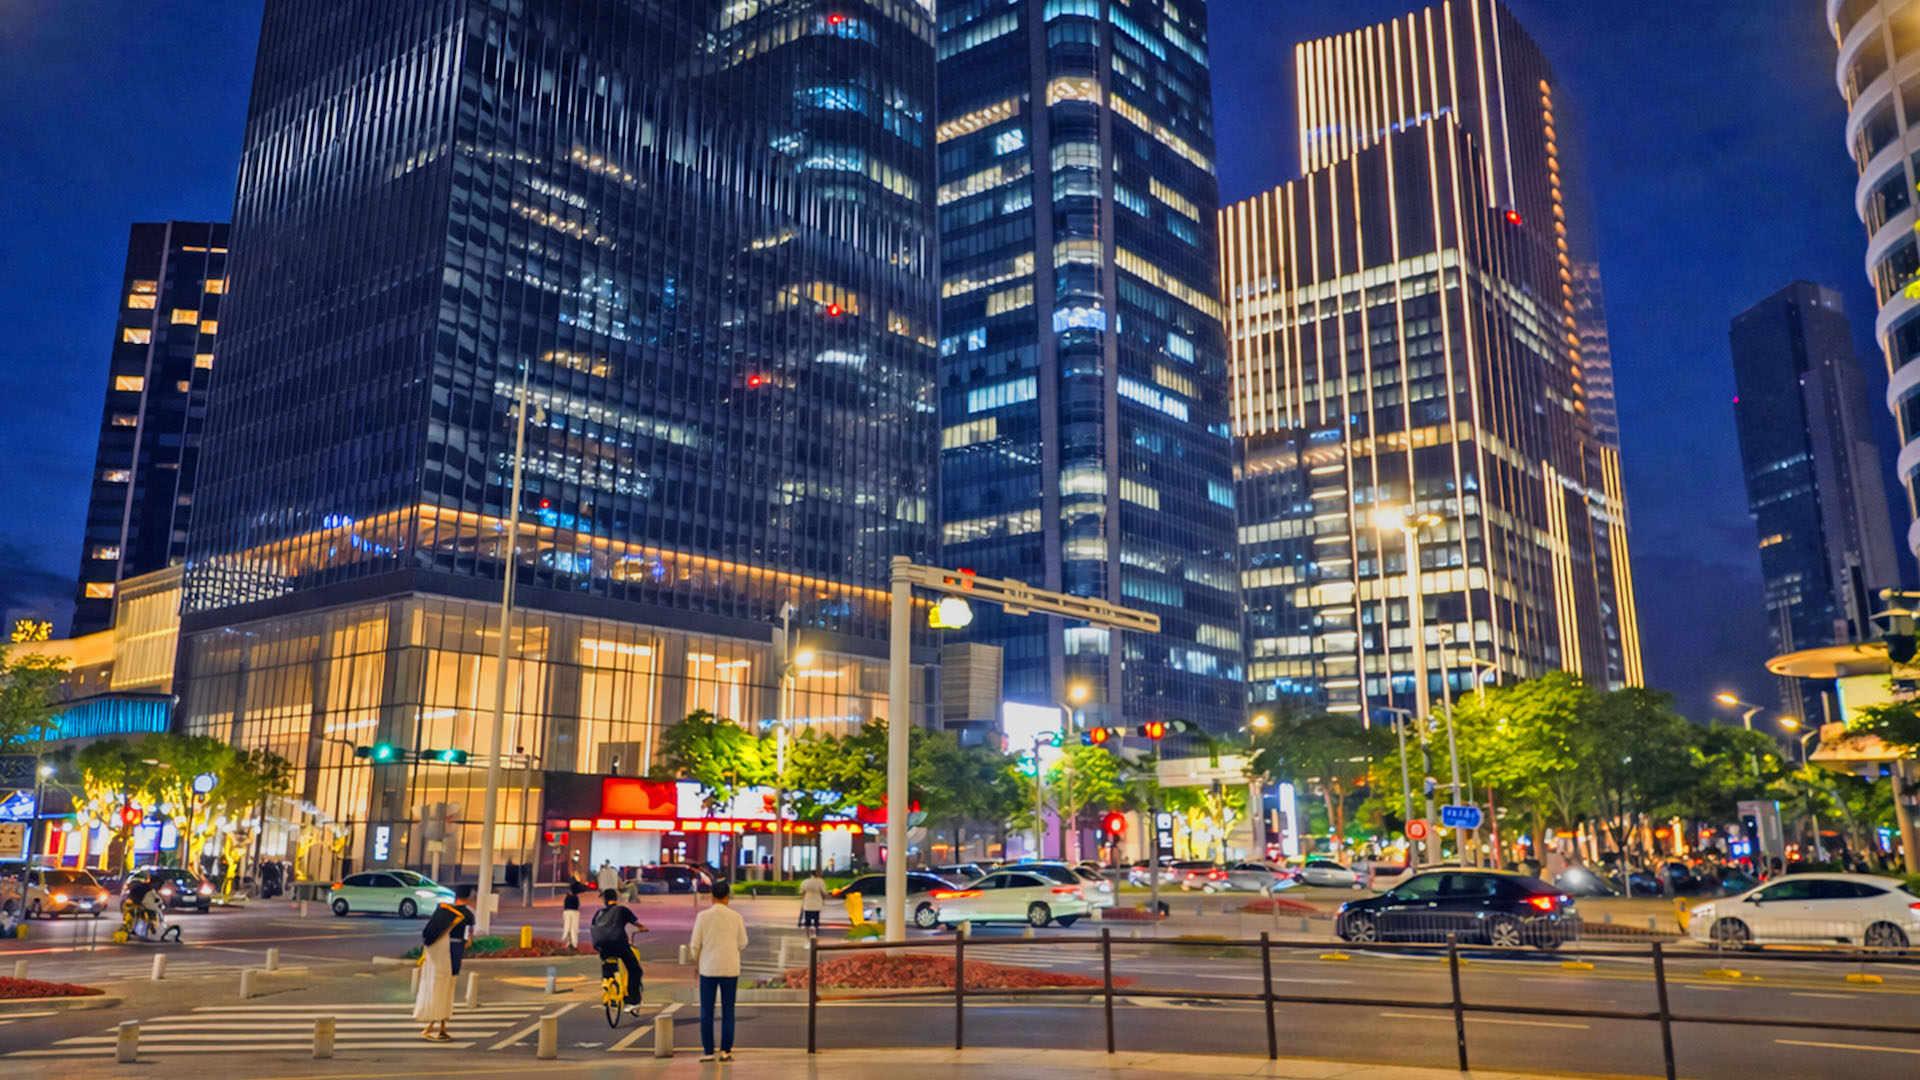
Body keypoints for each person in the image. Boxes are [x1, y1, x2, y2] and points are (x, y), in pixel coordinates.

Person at [689, 880, 748, 1062]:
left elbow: (695, 944)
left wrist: (697, 960)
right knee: (728, 1011)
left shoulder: (703, 916)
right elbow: (743, 942)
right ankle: (725, 1051)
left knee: (707, 1011)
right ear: (727, 897)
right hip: (730, 968)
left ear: (712, 895)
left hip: (708, 968)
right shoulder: (736, 917)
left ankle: (708, 1051)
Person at [414, 885, 469, 1041]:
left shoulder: (433, 941)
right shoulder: (441, 941)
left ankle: (439, 1027)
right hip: (443, 970)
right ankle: (434, 1028)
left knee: (443, 994)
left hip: (442, 969)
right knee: (441, 994)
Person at [590, 888, 644, 1012]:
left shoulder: (598, 913)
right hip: (619, 945)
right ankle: (632, 1001)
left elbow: (593, 928)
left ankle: (608, 985)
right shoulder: (621, 910)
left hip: (602, 947)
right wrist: (643, 928)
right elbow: (637, 924)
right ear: (616, 898)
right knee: (635, 970)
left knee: (609, 965)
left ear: (605, 900)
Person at [798, 869, 826, 934]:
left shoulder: (805, 882)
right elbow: (824, 892)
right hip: (817, 903)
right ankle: (816, 933)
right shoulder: (820, 882)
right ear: (817, 874)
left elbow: (802, 892)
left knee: (807, 921)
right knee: (816, 920)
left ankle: (808, 934)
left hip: (807, 903)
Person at [561, 879, 584, 949]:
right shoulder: (575, 897)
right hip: (574, 912)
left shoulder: (567, 897)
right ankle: (573, 944)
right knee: (574, 928)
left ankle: (566, 942)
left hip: (567, 911)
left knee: (567, 927)